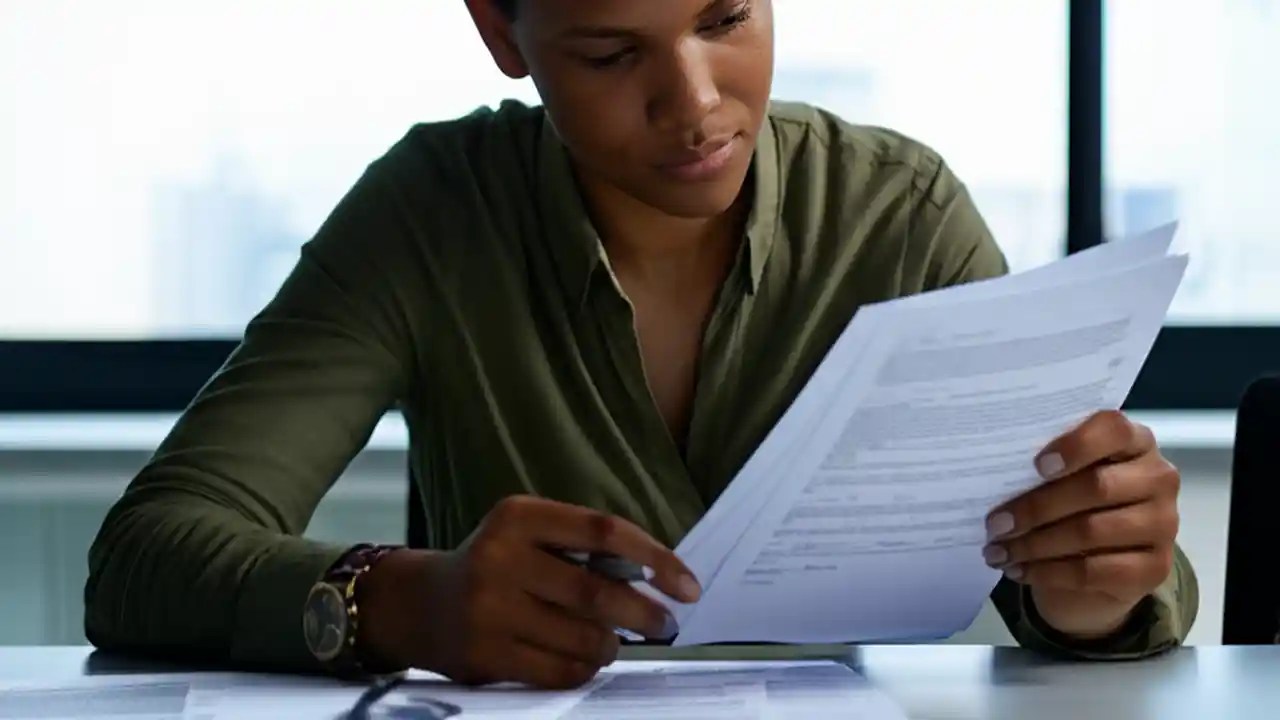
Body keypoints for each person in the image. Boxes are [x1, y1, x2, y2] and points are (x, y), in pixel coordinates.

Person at [84, 0, 1198, 690]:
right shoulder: (429, 216)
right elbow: (146, 558)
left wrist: (1087, 594)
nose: (698, 106)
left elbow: (1052, 582)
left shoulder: (893, 212)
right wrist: (408, 602)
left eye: (725, 17)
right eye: (614, 54)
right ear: (498, 29)